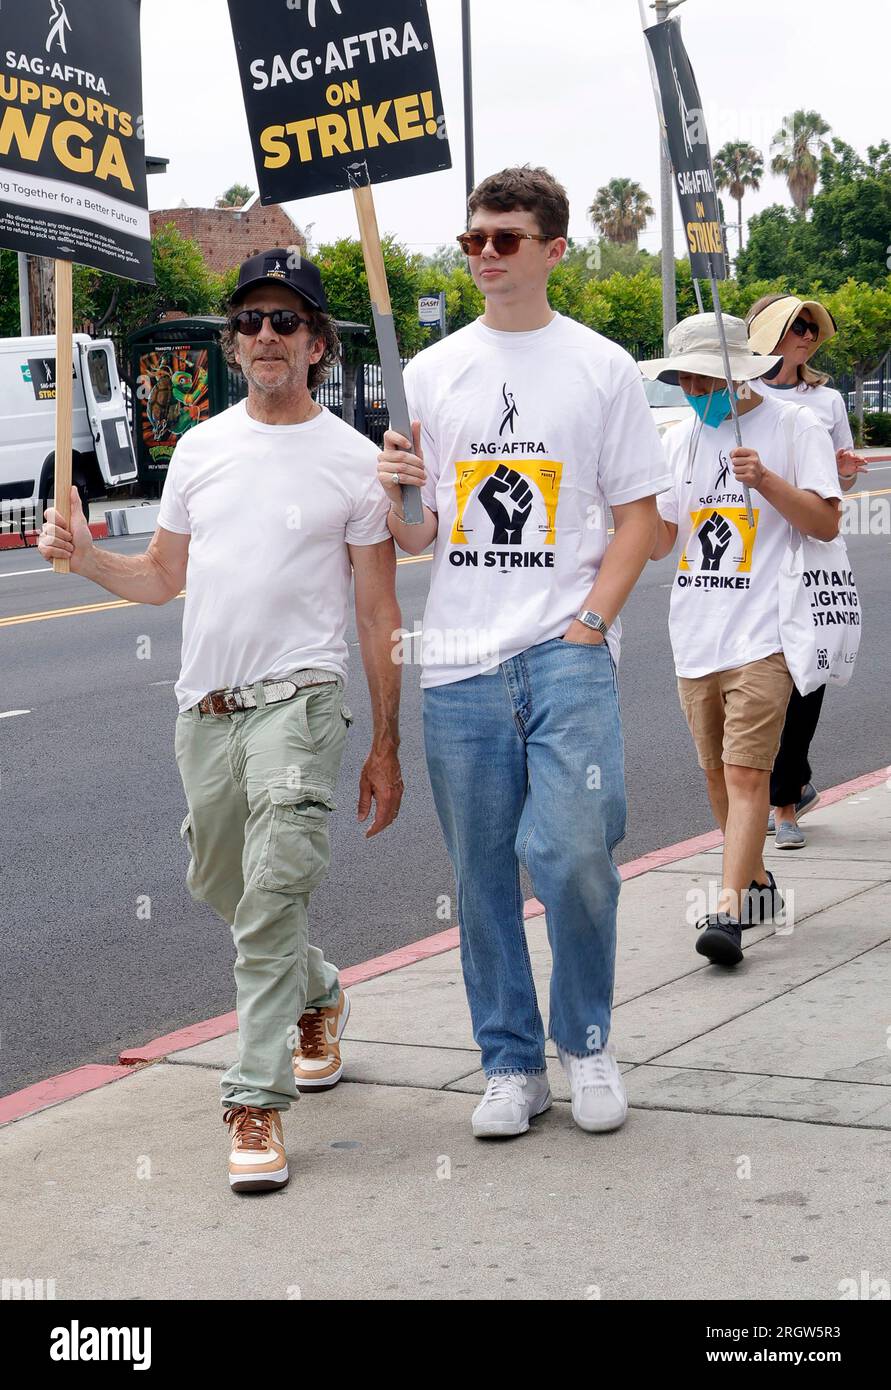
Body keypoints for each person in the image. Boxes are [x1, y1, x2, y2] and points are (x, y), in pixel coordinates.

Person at [38, 251, 403, 1193]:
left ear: (317, 343)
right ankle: (317, 989)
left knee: (274, 894)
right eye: (249, 321)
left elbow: (374, 613)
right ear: (233, 342)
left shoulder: (356, 462)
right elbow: (162, 577)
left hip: (302, 700)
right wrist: (83, 561)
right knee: (220, 882)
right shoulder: (199, 448)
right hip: (206, 707)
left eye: (286, 321)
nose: (266, 336)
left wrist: (386, 744)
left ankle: (254, 1103)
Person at [378, 166, 672, 1138]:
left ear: (553, 248)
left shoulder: (603, 367)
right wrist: (397, 489)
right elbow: (419, 539)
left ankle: (585, 1039)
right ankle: (509, 1062)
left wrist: (591, 622)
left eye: (506, 237)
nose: (487, 254)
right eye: (474, 239)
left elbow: (640, 517)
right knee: (481, 877)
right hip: (460, 657)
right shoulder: (427, 372)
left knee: (577, 850)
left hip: (566, 649)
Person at [645, 312, 842, 967]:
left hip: (766, 632)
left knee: (744, 772)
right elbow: (656, 543)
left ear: (740, 372)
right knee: (716, 780)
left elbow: (822, 523)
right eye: (685, 380)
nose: (695, 390)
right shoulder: (679, 442)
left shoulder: (793, 426)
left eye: (705, 378)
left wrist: (766, 482)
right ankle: (755, 886)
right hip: (694, 632)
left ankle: (726, 912)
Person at [746, 294, 868, 848]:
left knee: (805, 674)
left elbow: (840, 490)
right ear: (766, 331)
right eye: (796, 324)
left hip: (811, 550)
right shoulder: (741, 394)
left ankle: (785, 802)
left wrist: (844, 473)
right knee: (757, 674)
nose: (806, 334)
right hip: (752, 551)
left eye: (813, 326)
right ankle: (779, 786)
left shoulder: (827, 400)